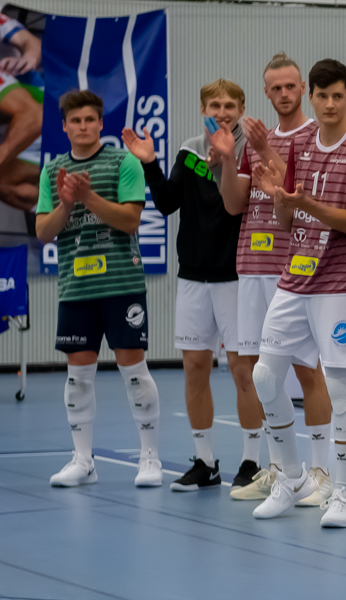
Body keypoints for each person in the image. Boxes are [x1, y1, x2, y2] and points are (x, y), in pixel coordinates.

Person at [248, 58, 346, 528]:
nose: (330, 103)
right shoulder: (299, 143)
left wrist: (305, 204)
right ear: (311, 97)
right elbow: (286, 221)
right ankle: (292, 476)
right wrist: (281, 200)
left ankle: (342, 494)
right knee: (264, 376)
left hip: (340, 282)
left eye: (338, 95)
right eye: (323, 96)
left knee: (340, 388)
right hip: (294, 279)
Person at [209, 52, 333, 504]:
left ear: (303, 89)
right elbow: (234, 204)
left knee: (305, 369)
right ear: (265, 92)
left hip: (293, 268)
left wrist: (266, 153)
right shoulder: (250, 141)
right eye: (275, 88)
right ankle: (283, 467)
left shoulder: (313, 136)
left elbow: (301, 200)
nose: (283, 94)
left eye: (290, 86)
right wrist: (227, 160)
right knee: (256, 369)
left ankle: (321, 471)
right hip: (250, 265)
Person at [124, 80, 260, 492]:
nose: (223, 111)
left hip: (235, 277)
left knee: (243, 372)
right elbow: (167, 203)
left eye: (231, 105)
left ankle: (252, 461)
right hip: (192, 278)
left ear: (241, 109)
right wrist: (149, 163)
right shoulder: (188, 149)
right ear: (203, 107)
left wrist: (226, 161)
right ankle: (205, 462)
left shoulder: (250, 152)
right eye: (215, 104)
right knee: (195, 368)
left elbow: (240, 206)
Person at [35, 89, 162, 488]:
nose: (83, 126)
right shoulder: (53, 171)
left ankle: (150, 457)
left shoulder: (124, 162)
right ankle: (82, 460)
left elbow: (130, 220)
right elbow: (43, 232)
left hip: (121, 284)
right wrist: (67, 204)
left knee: (134, 372)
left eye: (90, 119)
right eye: (76, 121)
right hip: (76, 288)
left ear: (100, 123)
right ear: (64, 127)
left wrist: (89, 197)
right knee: (78, 377)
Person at [0, 14, 42, 210]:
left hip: (42, 115)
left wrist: (30, 56)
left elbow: (30, 41)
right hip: (20, 128)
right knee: (3, 184)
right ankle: (68, 222)